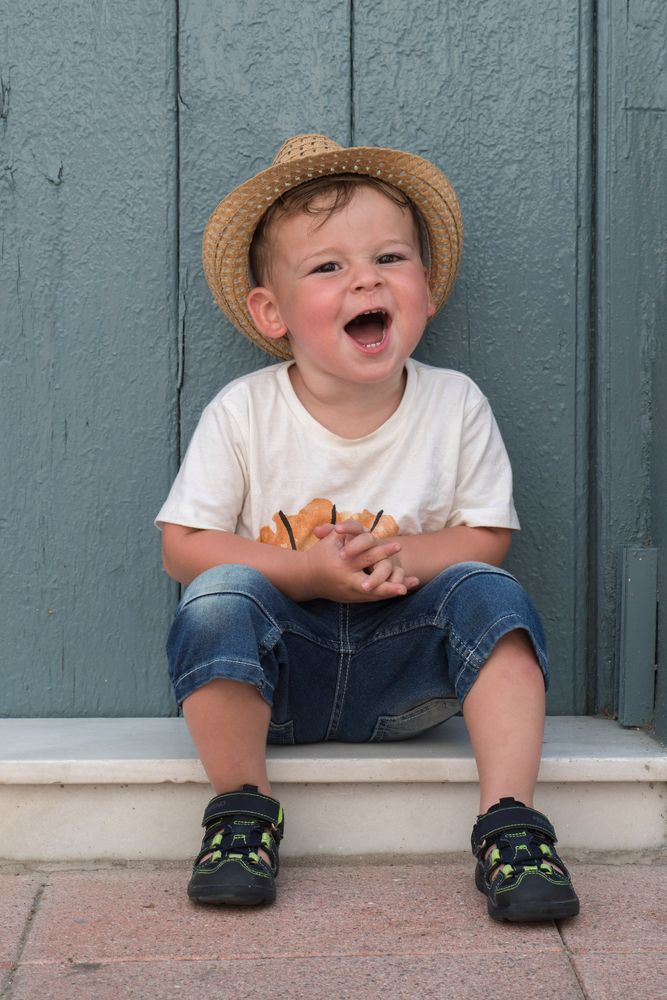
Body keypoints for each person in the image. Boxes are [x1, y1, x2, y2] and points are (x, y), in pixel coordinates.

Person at [156, 133, 580, 922]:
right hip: (280, 681)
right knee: (216, 596)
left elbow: (485, 534)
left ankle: (511, 825)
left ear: (425, 293)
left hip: (408, 676)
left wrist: (405, 556)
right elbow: (182, 546)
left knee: (491, 593)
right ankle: (242, 810)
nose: (364, 278)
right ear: (270, 311)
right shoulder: (245, 412)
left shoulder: (453, 402)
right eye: (327, 267)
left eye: (389, 258)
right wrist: (304, 574)